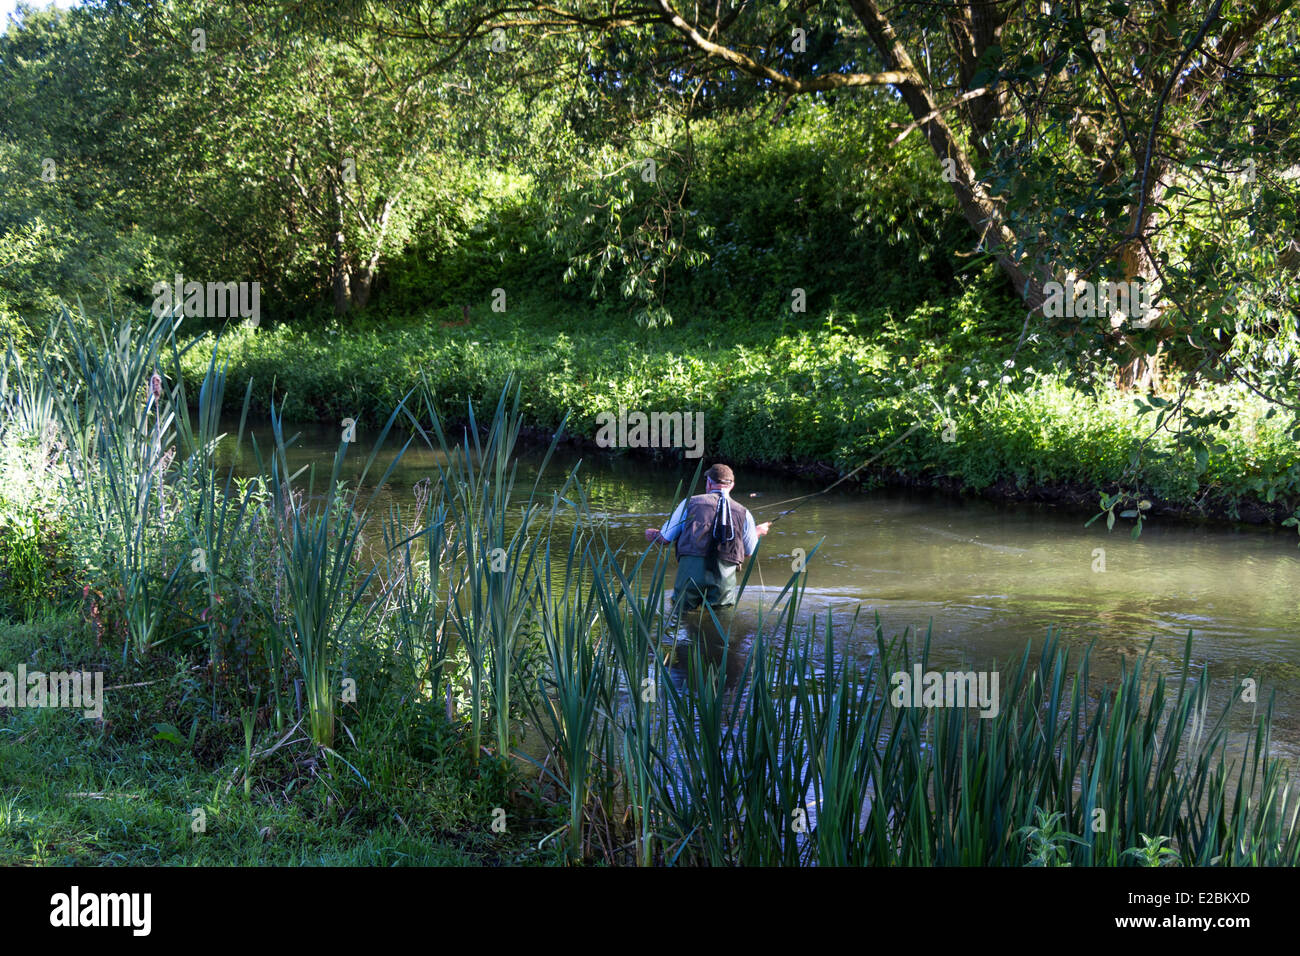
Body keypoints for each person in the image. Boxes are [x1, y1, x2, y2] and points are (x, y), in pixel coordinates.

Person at [644, 463, 771, 616]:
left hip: (690, 575)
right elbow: (749, 551)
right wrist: (756, 532)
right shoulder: (745, 513)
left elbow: (665, 538)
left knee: (681, 615)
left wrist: (652, 533)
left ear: (709, 483)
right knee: (720, 619)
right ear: (732, 485)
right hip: (723, 579)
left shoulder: (689, 503)